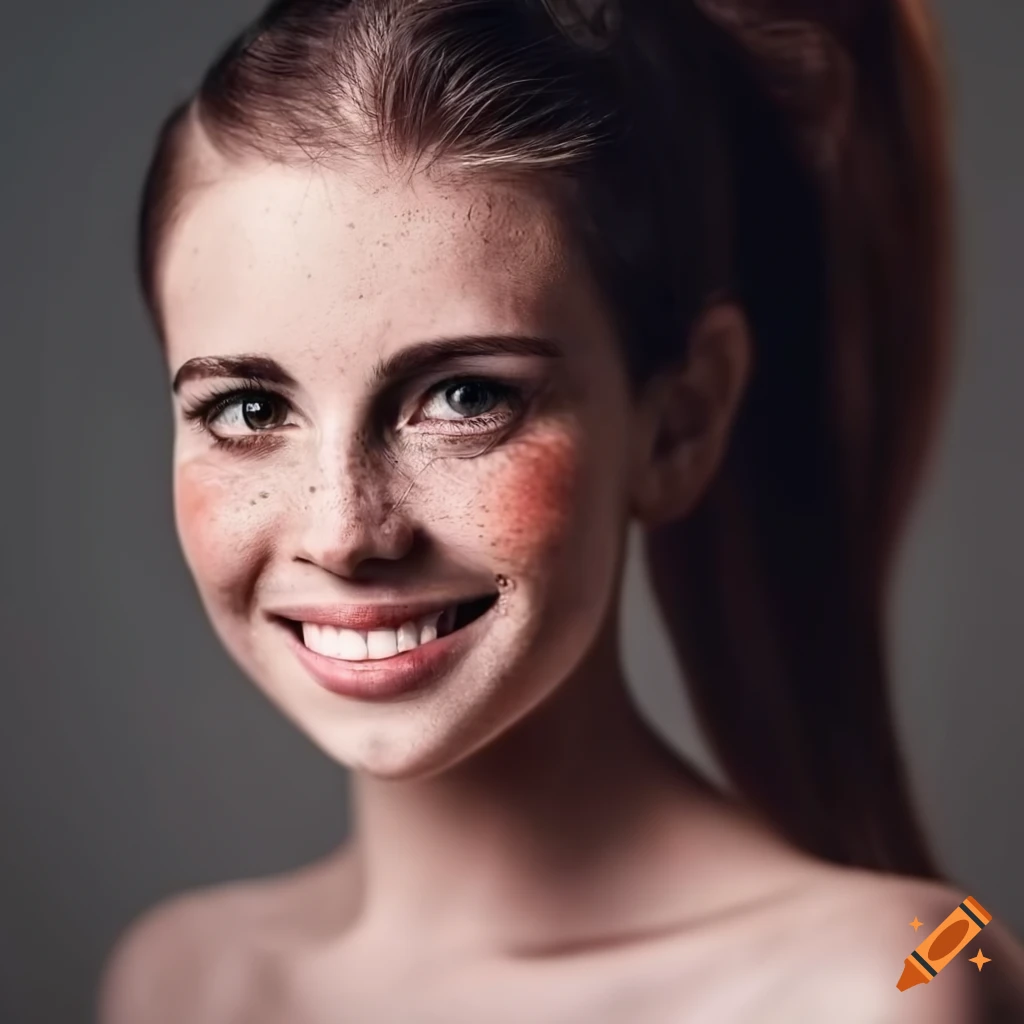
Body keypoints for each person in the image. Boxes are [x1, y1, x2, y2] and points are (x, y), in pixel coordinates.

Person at [99, 0, 1024, 1020]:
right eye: (249, 407)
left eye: (466, 396)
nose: (344, 532)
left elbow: (966, 953)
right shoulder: (181, 978)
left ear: (678, 426)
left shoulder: (903, 975)